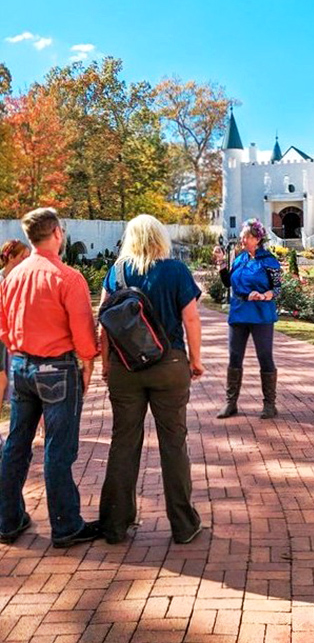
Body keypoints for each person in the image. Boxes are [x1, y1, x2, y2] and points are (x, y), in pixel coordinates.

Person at [98, 214, 204, 545]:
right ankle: (184, 525)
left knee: (123, 443)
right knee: (173, 443)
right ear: (161, 237)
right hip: (169, 362)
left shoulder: (115, 272)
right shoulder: (175, 271)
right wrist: (195, 360)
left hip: (124, 368)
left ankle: (115, 525)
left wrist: (105, 364)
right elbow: (191, 318)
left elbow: (103, 323)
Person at [0, 208, 100, 547]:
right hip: (57, 368)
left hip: (21, 366)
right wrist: (88, 363)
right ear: (57, 233)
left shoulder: (11, 276)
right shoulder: (67, 278)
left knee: (16, 444)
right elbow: (84, 333)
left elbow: (3, 324)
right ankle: (65, 524)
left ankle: (8, 519)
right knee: (59, 447)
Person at [214, 218, 282, 420]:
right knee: (234, 357)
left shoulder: (269, 261)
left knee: (265, 357)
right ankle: (230, 403)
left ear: (257, 238)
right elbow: (228, 283)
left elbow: (277, 289)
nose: (241, 239)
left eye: (245, 236)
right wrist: (220, 262)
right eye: (243, 236)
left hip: (261, 314)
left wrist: (264, 295)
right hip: (238, 312)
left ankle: (270, 404)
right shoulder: (239, 259)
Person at [0, 240, 30, 404]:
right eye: (23, 257)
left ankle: (42, 429)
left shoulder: (24, 280)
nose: (27, 261)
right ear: (11, 257)